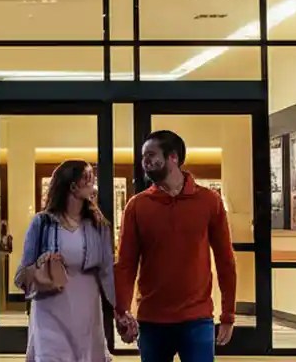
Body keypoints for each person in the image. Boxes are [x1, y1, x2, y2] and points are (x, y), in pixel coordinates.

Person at [114, 130, 237, 362]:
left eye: (151, 155)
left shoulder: (209, 201)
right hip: (152, 320)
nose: (145, 162)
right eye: (143, 156)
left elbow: (225, 260)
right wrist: (122, 312)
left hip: (197, 319)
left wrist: (228, 315)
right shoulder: (137, 206)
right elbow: (125, 265)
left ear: (173, 157)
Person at [14, 160, 116, 362]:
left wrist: (119, 311)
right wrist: (40, 264)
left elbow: (107, 273)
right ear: (72, 186)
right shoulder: (42, 223)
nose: (93, 183)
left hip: (87, 312)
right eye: (87, 178)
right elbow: (21, 276)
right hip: (49, 310)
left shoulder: (99, 225)